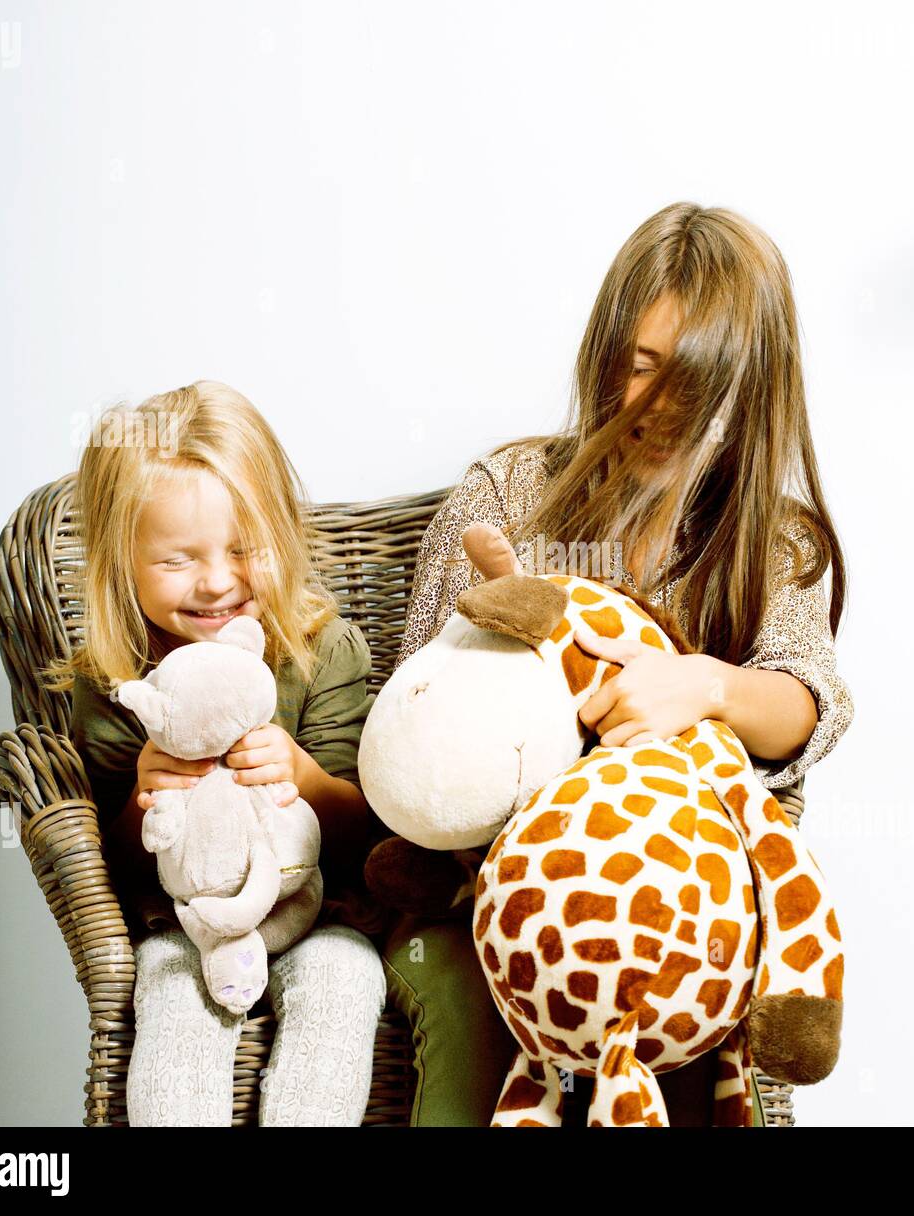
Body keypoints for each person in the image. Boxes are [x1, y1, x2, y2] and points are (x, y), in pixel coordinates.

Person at [378, 201, 856, 1126]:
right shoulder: (508, 492)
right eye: (638, 367)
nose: (656, 406)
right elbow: (413, 731)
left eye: (693, 381)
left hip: (671, 907)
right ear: (603, 353)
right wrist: (512, 665)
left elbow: (812, 702)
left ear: (747, 389)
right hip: (496, 900)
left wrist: (702, 687)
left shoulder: (774, 542)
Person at [46, 380, 387, 1126]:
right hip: (184, 925)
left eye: (244, 549)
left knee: (348, 979)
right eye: (177, 560)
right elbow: (111, 863)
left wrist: (302, 777)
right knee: (169, 1006)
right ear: (122, 563)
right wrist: (142, 802)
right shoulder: (114, 683)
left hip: (313, 912)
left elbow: (367, 833)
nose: (218, 581)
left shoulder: (321, 650)